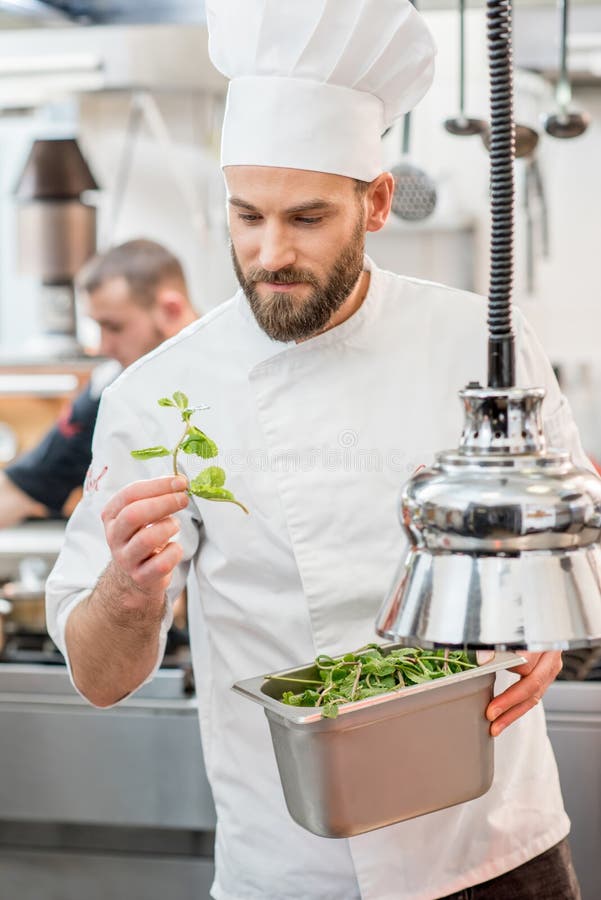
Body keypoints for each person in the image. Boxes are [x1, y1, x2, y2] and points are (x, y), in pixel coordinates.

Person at [47, 2, 583, 898]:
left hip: (494, 842)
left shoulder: (481, 341)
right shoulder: (157, 394)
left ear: (374, 203)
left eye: (305, 218)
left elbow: (563, 541)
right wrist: (129, 595)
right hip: (292, 866)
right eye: (246, 215)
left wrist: (546, 627)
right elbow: (100, 680)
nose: (270, 254)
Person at [0, 239, 197, 527]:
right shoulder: (110, 388)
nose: (103, 346)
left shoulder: (236, 374)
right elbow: (24, 486)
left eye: (114, 327)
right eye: (98, 327)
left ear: (171, 311)